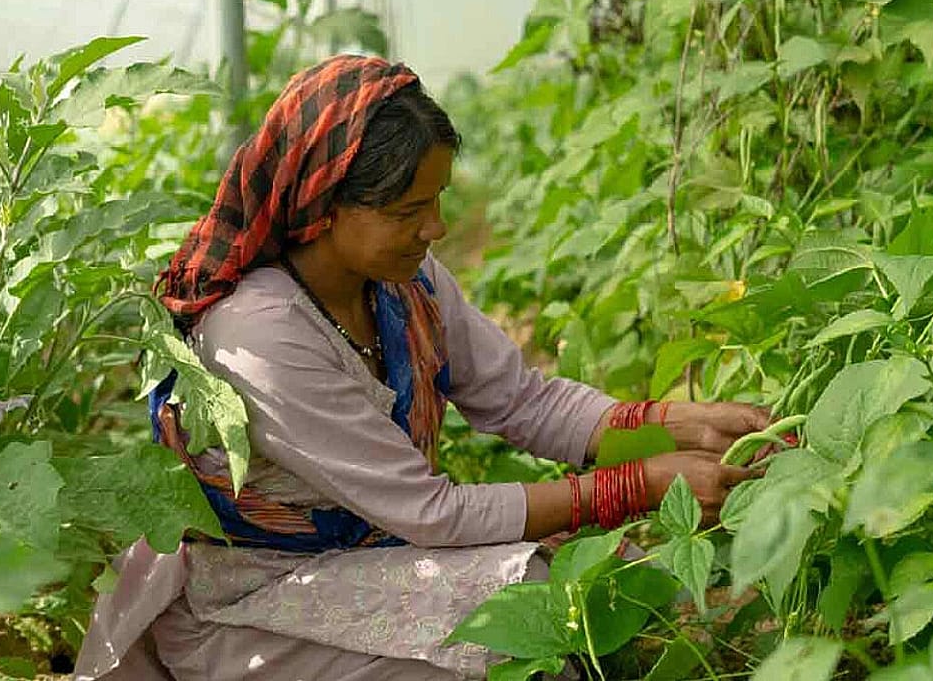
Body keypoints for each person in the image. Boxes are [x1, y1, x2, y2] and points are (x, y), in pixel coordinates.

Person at [73, 55, 765, 681]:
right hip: (250, 601)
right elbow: (433, 512)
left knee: (568, 601)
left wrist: (685, 426)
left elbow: (522, 402)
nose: (434, 227)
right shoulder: (260, 337)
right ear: (324, 208)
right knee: (510, 645)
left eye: (437, 199)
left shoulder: (405, 282)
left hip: (366, 559)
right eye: (409, 209)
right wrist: (637, 486)